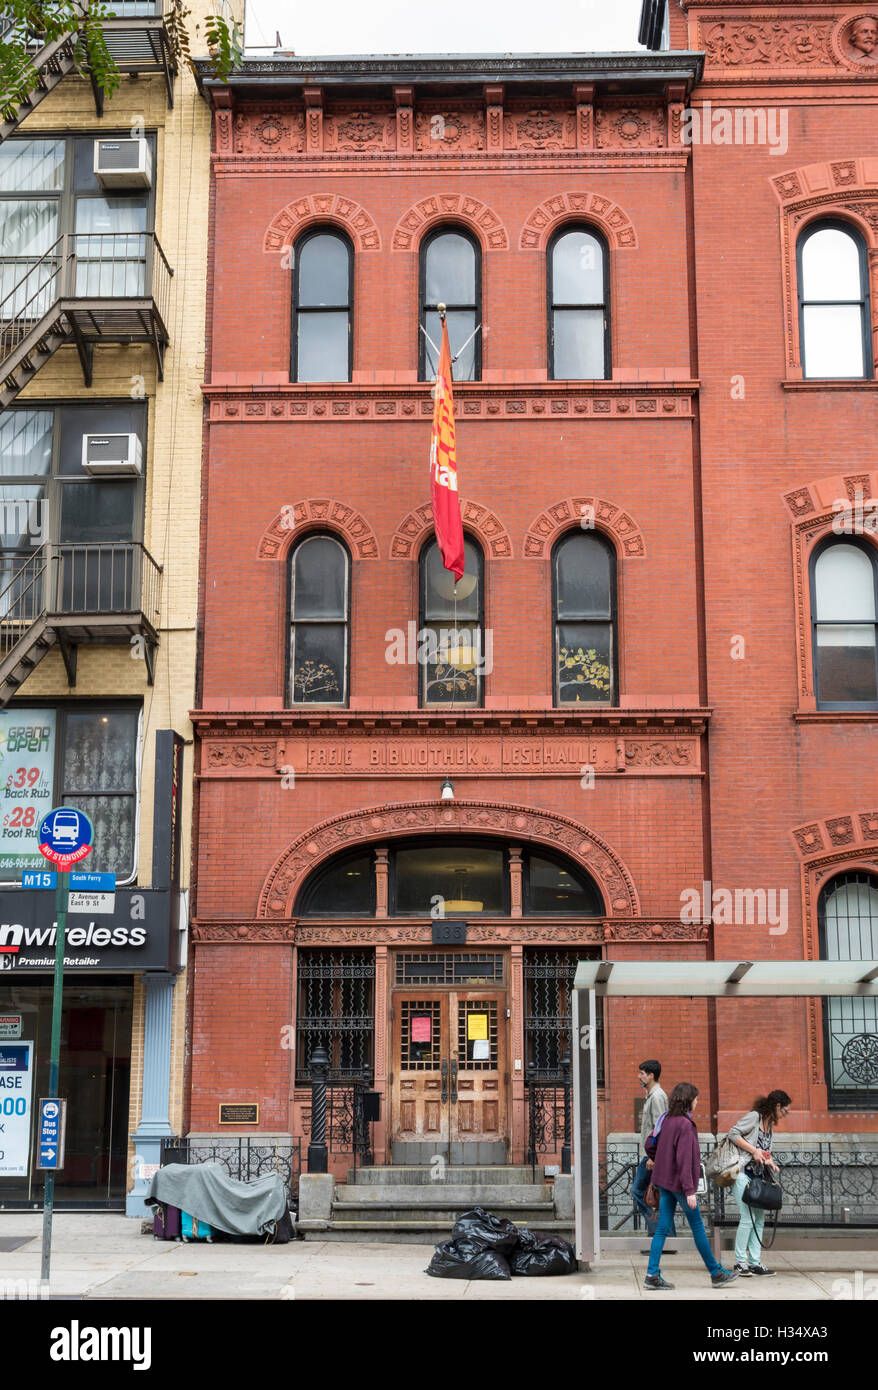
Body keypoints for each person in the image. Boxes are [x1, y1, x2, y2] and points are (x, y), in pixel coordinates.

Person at [644, 1081, 738, 1291]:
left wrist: (660, 1159)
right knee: (698, 1228)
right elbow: (685, 1159)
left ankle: (651, 1274)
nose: (698, 1101)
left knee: (661, 1230)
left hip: (664, 1182)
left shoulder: (666, 1119)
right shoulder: (686, 1125)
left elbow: (649, 1143)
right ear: (688, 1101)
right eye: (696, 1098)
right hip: (679, 1184)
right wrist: (689, 1190)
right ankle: (716, 1273)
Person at [728, 1089, 791, 1277]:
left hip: (757, 1178)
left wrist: (767, 1159)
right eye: (785, 1110)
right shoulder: (754, 1117)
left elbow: (762, 1152)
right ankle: (740, 1262)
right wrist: (754, 1150)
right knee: (747, 1218)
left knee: (760, 1220)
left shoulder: (769, 1125)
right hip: (741, 1174)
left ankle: (754, 1262)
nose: (785, 1114)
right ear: (777, 1106)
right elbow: (733, 1133)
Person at [632, 1059, 671, 1239]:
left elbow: (659, 1127)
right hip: (651, 1154)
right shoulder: (653, 1095)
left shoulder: (656, 1097)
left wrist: (653, 1157)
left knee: (639, 1192)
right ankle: (664, 1234)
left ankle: (658, 1232)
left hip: (650, 1155)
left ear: (651, 1075)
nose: (639, 1076)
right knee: (657, 1194)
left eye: (642, 1073)